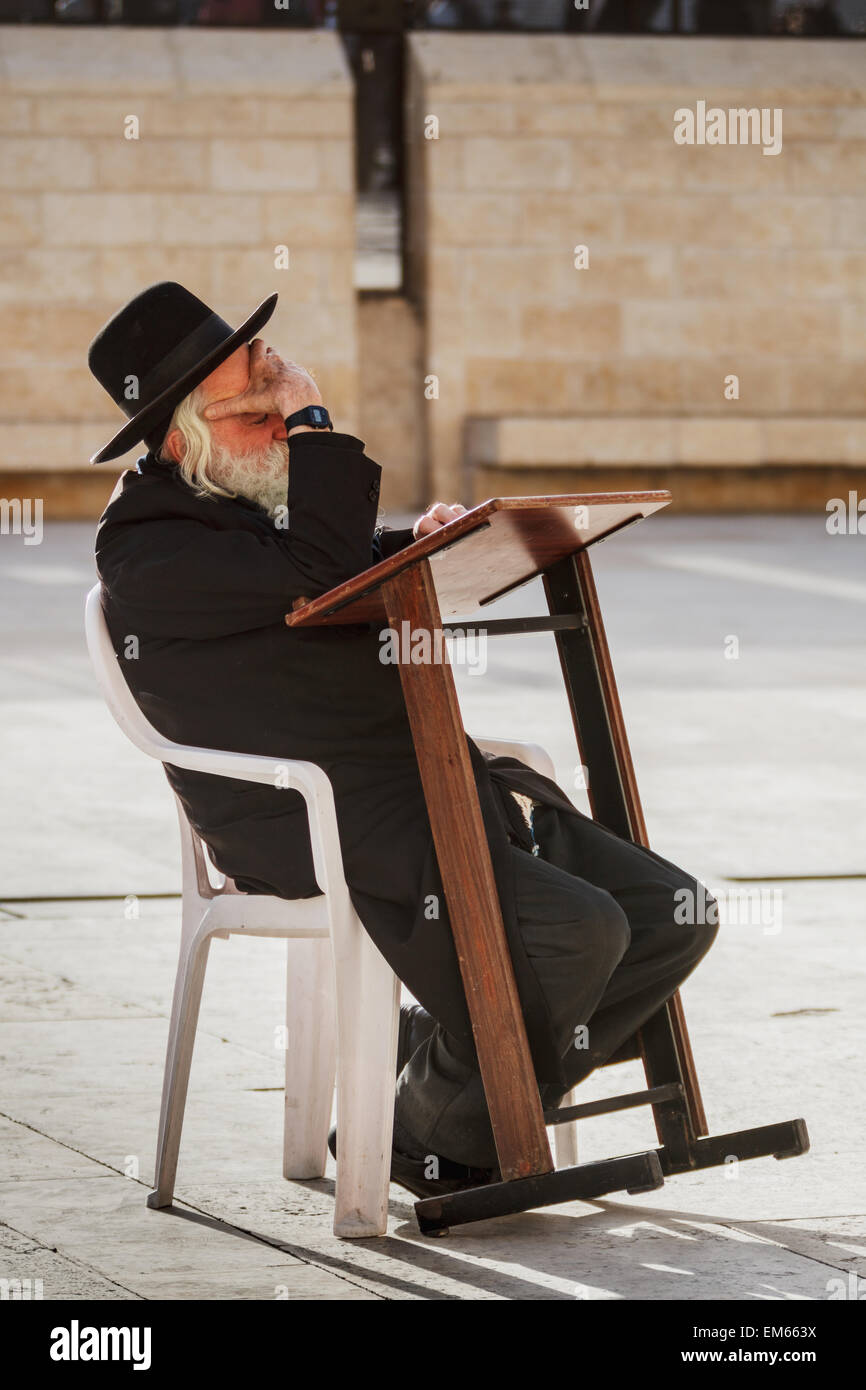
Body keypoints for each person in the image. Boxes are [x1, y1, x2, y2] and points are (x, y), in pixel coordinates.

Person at [89, 282, 718, 1200]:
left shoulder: (230, 496)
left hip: (411, 786)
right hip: (302, 813)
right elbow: (309, 571)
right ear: (181, 438)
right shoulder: (147, 546)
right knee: (583, 934)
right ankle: (431, 1120)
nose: (281, 426)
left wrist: (419, 543)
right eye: (258, 411)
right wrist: (314, 415)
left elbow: (313, 566)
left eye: (279, 406)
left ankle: (436, 1080)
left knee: (671, 911)